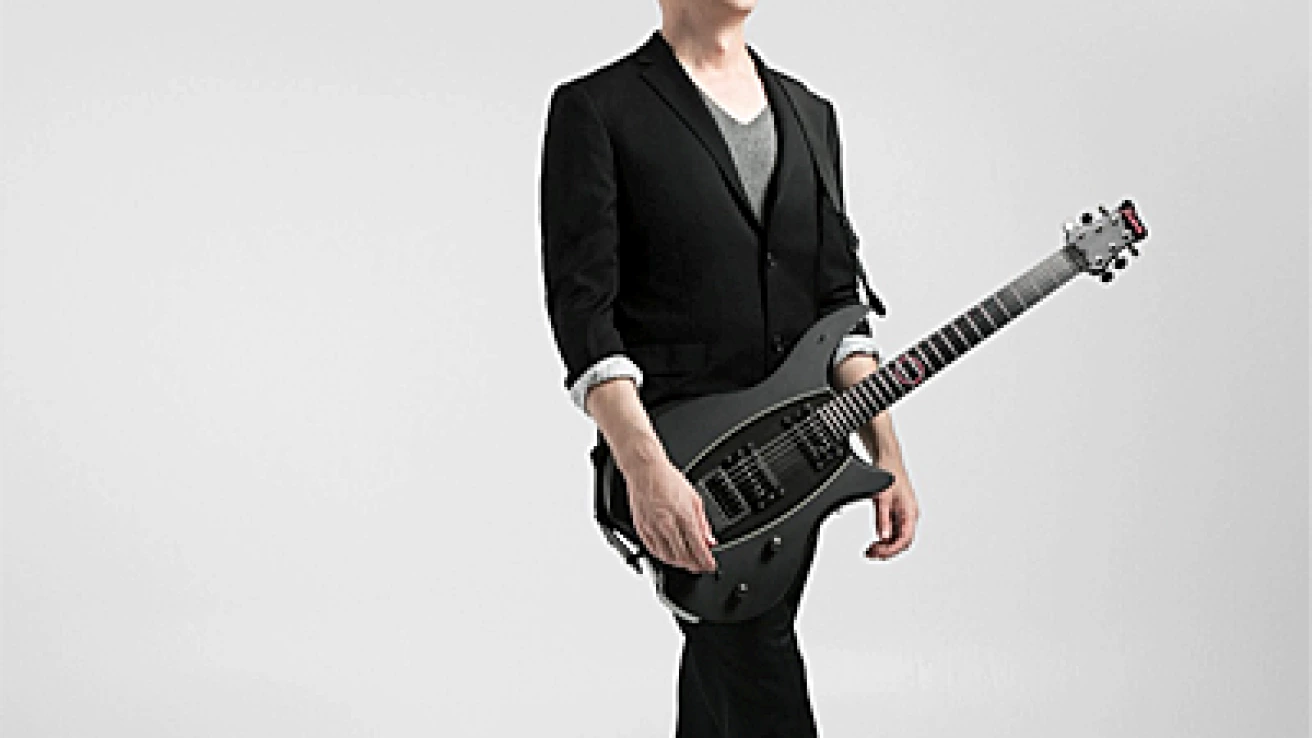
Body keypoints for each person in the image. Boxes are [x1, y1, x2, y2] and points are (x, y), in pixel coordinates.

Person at [539, 2, 919, 735]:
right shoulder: (597, 109)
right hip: (691, 470)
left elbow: (838, 307)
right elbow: (585, 319)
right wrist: (646, 471)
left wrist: (888, 454)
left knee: (728, 680)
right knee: (756, 669)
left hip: (799, 466)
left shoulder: (811, 114)